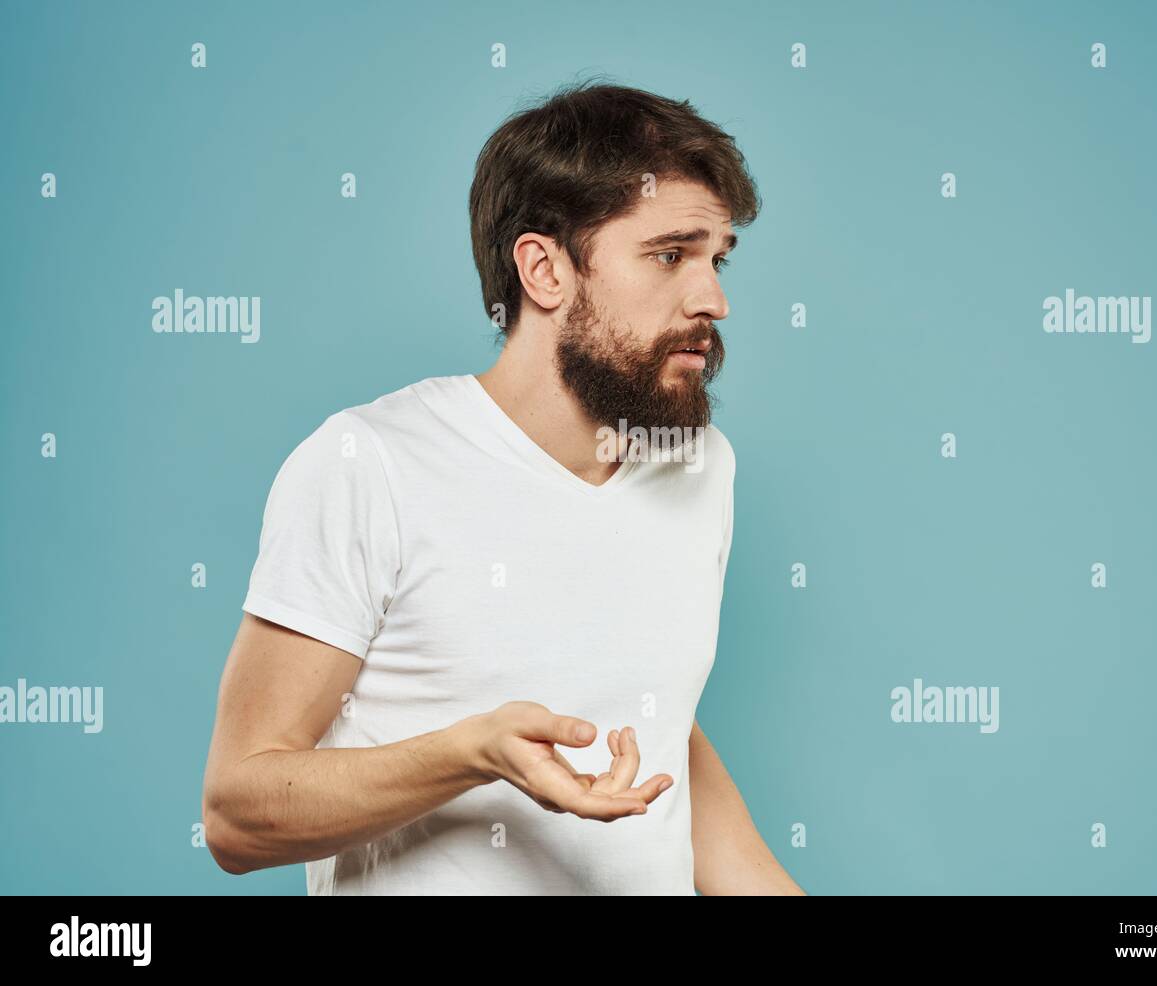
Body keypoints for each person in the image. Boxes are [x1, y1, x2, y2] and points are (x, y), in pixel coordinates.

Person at [201, 78, 805, 895]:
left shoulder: (701, 467)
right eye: (670, 255)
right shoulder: (369, 463)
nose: (714, 300)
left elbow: (664, 733)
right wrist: (469, 753)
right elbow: (237, 815)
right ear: (544, 269)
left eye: (717, 259)